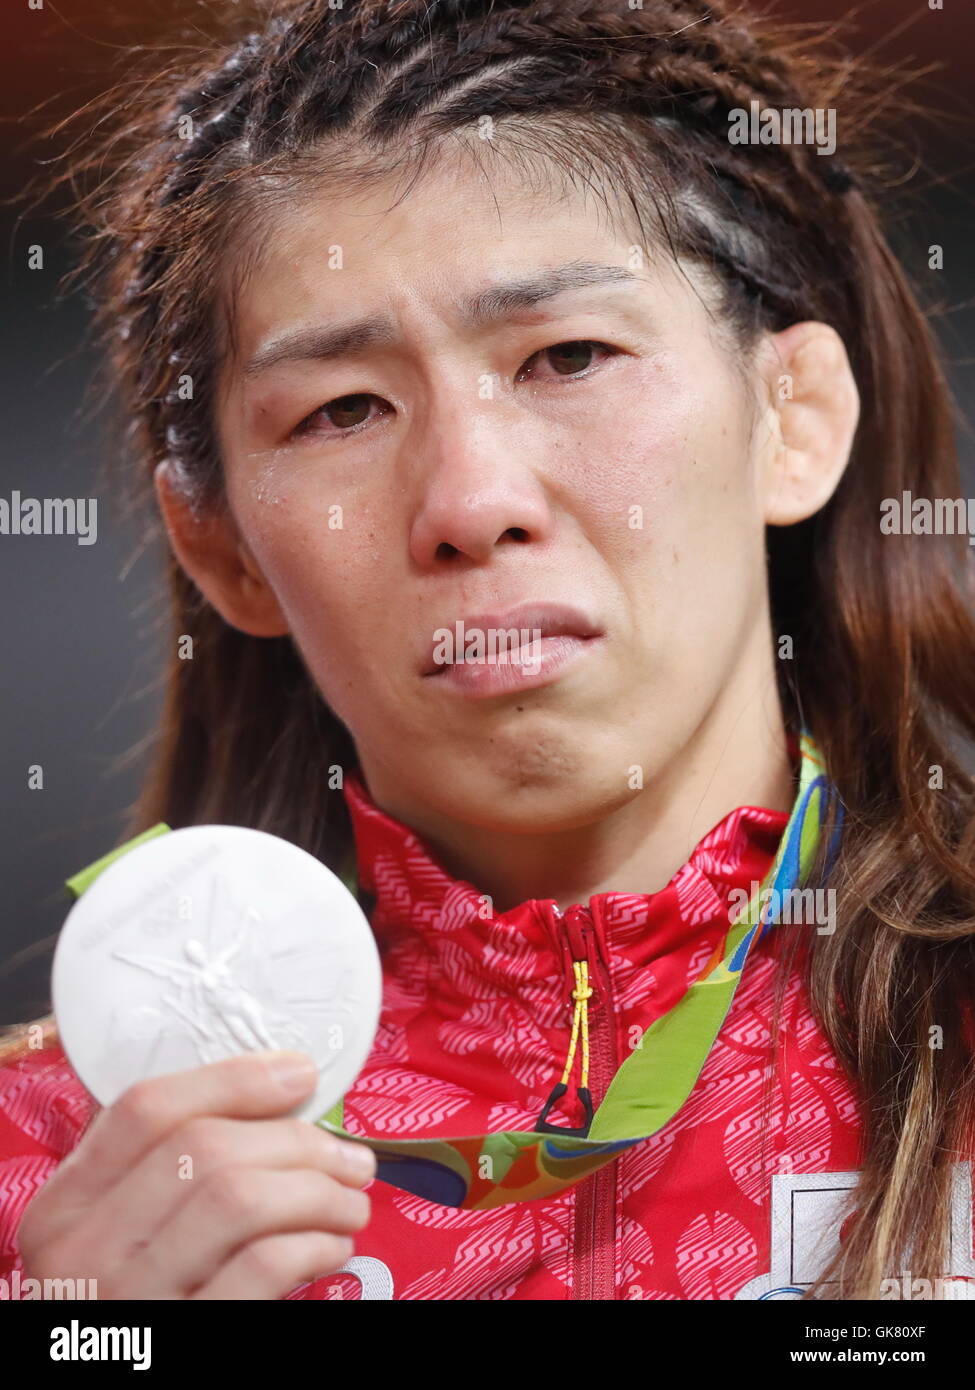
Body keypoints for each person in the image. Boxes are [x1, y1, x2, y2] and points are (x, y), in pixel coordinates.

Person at [2, 0, 974, 1302]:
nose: (470, 499)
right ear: (219, 544)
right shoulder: (50, 1178)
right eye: (343, 408)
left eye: (570, 355)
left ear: (791, 416)